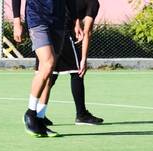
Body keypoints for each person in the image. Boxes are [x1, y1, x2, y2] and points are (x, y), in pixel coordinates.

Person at [44, 0, 105, 125]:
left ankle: (36, 113)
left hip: (47, 30)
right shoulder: (93, 3)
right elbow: (87, 31)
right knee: (77, 72)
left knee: (50, 75)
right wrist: (83, 59)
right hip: (64, 34)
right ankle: (81, 115)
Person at [13, 0, 69, 136]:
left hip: (59, 20)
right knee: (48, 63)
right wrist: (16, 21)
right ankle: (30, 113)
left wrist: (77, 20)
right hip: (37, 17)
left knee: (49, 71)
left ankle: (40, 118)